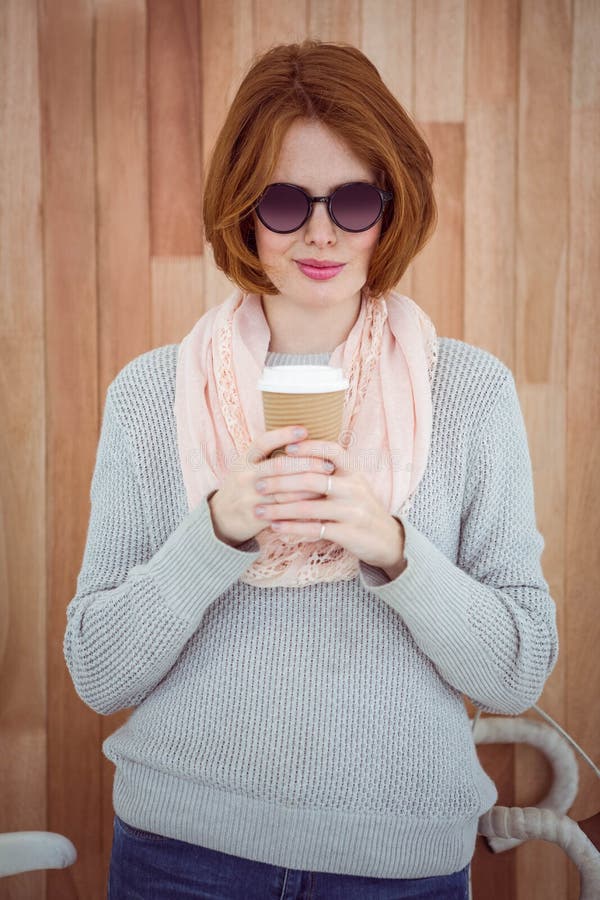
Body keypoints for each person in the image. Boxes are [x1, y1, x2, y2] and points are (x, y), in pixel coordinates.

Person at [63, 40, 559, 900]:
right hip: (180, 853)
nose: (322, 232)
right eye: (286, 201)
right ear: (243, 211)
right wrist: (214, 532)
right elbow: (100, 673)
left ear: (392, 206)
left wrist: (396, 548)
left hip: (399, 866)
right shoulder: (151, 395)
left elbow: (517, 669)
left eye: (355, 200)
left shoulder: (470, 394)